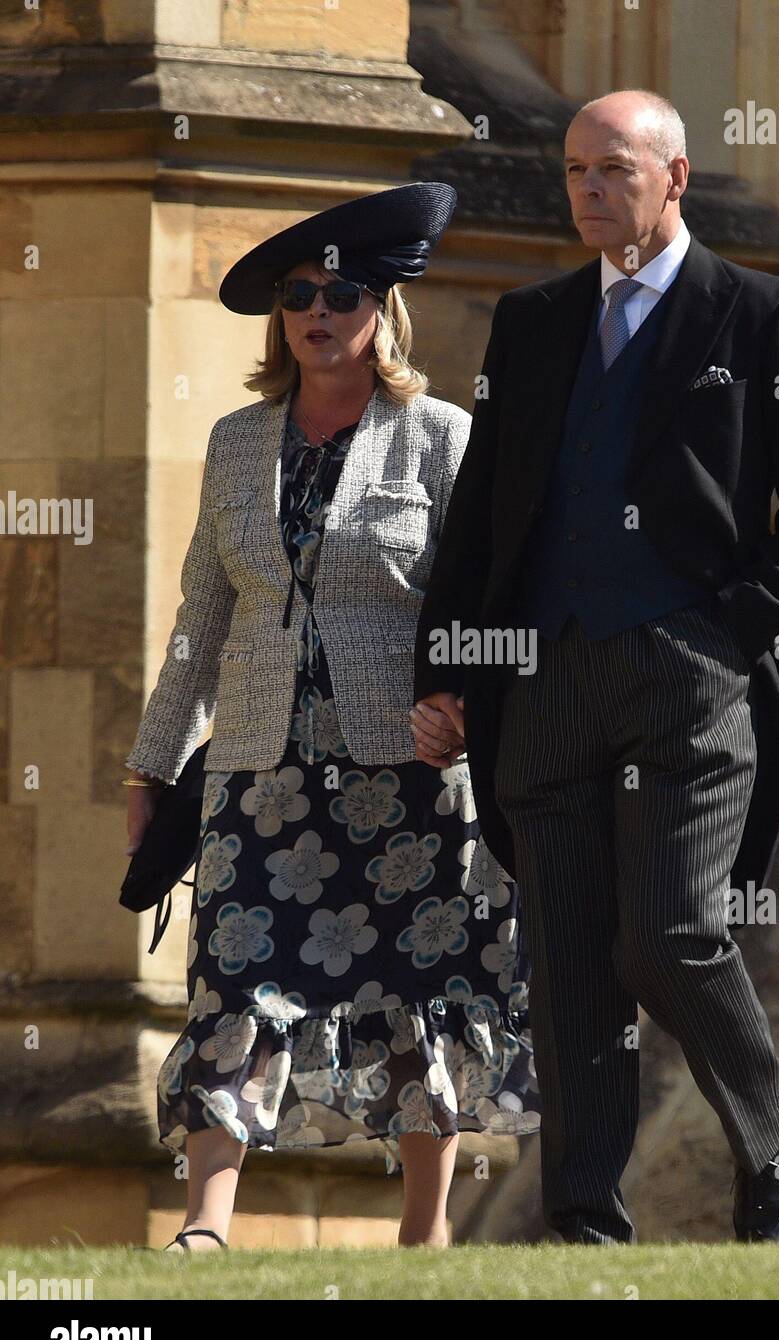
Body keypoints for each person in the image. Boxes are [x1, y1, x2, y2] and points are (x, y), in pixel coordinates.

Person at [410, 93, 779, 1245]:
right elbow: (480, 518)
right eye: (571, 173)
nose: (587, 192)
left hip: (686, 680)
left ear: (675, 177)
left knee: (666, 935)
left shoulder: (760, 315)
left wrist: (724, 632)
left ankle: (769, 1137)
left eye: (611, 169)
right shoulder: (532, 321)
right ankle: (581, 1223)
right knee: (564, 966)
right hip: (542, 680)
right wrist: (447, 663)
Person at [123, 182, 539, 1253]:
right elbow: (196, 624)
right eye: (298, 293)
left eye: (341, 292)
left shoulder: (440, 438)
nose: (316, 310)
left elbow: (488, 600)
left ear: (380, 309)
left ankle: (421, 1229)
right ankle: (206, 1223)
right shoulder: (232, 443)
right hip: (258, 770)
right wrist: (151, 767)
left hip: (404, 769)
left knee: (418, 990)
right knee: (234, 978)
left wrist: (457, 702)